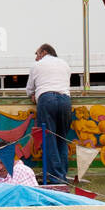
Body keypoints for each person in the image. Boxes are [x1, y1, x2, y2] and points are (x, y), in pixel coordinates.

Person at [25, 43, 73, 186]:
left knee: (49, 139)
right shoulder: (65, 64)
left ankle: (55, 178)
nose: (36, 57)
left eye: (37, 54)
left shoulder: (37, 66)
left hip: (46, 99)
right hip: (65, 100)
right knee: (61, 138)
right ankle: (63, 176)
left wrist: (34, 95)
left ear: (44, 52)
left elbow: (29, 89)